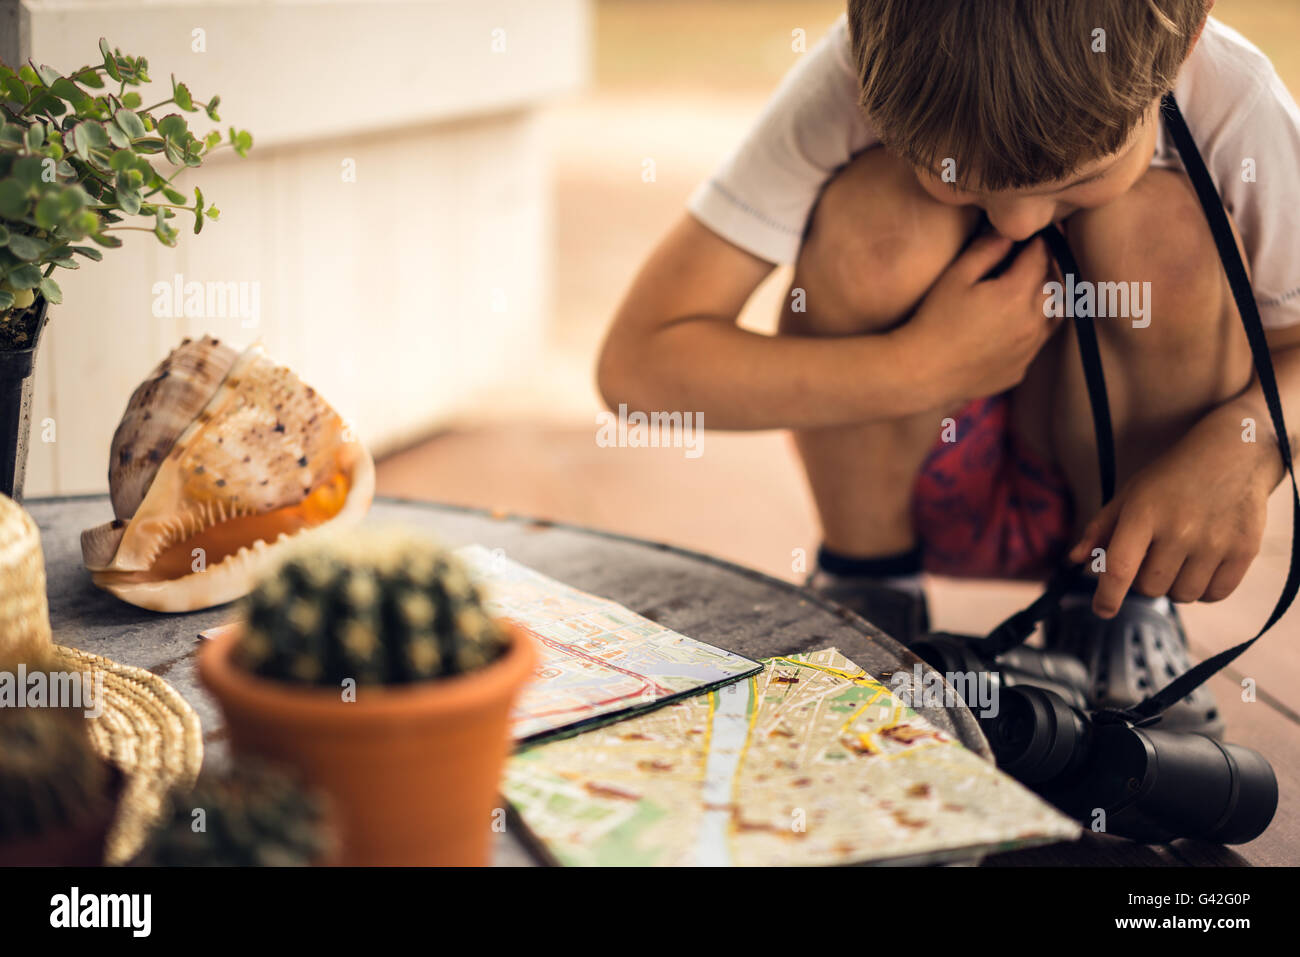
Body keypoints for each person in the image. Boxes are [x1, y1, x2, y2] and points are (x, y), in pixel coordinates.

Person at [596, 1, 1300, 736]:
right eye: (960, 179)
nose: (1018, 221)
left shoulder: (1232, 93)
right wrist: (915, 367)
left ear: (1183, 42)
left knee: (1164, 231)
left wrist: (1251, 444)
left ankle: (1117, 608)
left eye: (1079, 178)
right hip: (910, 480)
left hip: (1123, 512)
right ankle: (870, 585)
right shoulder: (869, 66)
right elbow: (636, 367)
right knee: (879, 221)